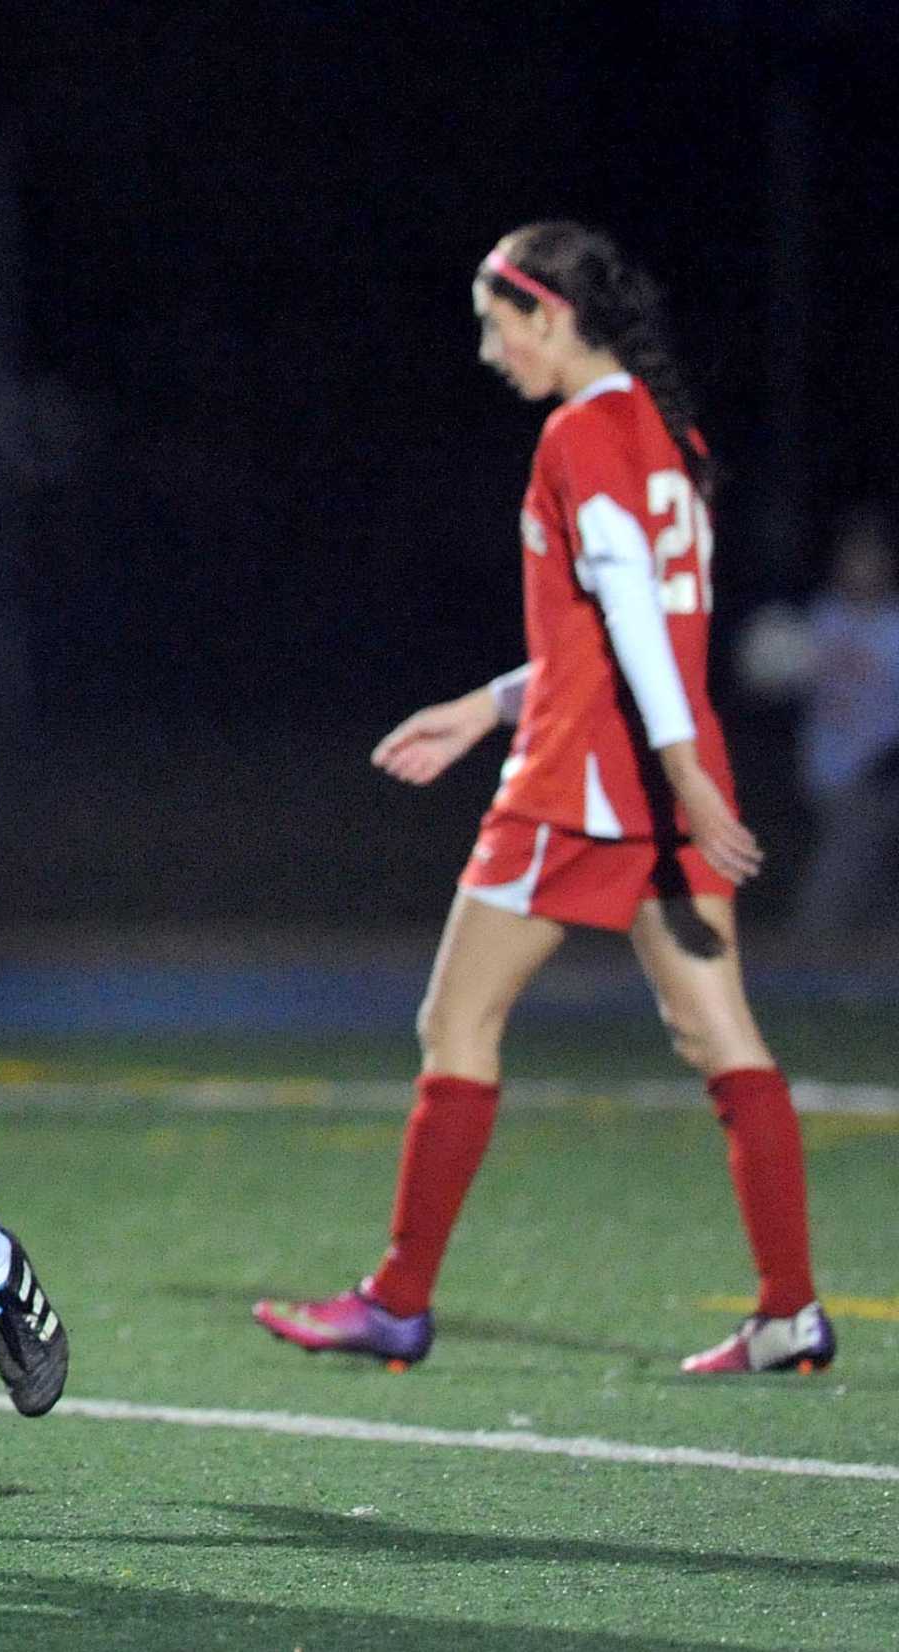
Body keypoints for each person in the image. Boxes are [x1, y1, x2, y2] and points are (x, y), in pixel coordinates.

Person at [252, 222, 832, 1377]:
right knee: (718, 1033)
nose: (486, 348)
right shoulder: (664, 431)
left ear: (550, 317)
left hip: (581, 787)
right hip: (654, 772)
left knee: (453, 1024)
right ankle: (788, 1313)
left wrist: (663, 772)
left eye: (495, 321)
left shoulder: (578, 432)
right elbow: (622, 630)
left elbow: (622, 610)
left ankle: (398, 1301)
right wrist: (486, 705)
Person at [788, 508, 899, 934]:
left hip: (878, 774)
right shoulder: (822, 618)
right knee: (864, 874)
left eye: (870, 561)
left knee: (838, 881)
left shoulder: (892, 628)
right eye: (853, 560)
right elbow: (774, 675)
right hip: (827, 769)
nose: (861, 570)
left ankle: (813, 946)